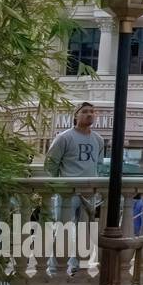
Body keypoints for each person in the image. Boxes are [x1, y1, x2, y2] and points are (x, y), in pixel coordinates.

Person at [43, 103, 106, 274]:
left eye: (92, 112)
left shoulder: (98, 140)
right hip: (67, 192)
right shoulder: (64, 137)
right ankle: (55, 267)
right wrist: (59, 184)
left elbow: (98, 165)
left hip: (88, 191)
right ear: (76, 116)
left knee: (84, 231)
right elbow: (51, 163)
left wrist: (96, 186)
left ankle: (76, 265)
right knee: (63, 228)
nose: (89, 115)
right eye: (85, 112)